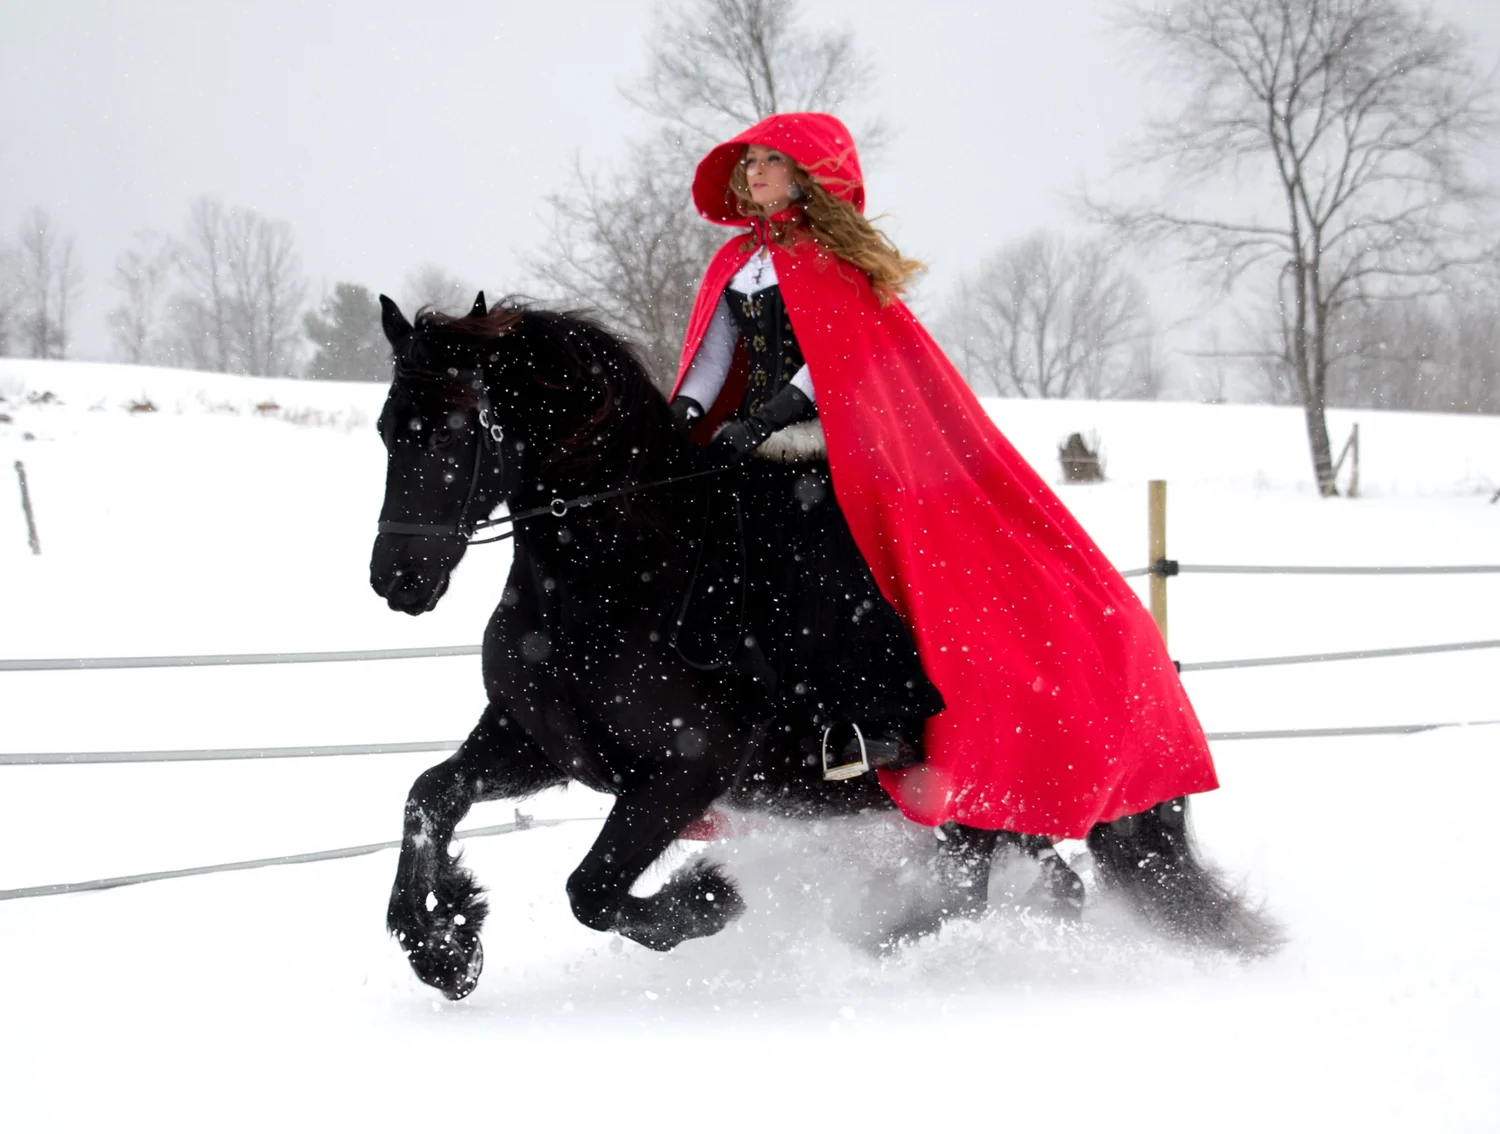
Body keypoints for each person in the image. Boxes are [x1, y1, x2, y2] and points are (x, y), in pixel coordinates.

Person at [670, 113, 1218, 840]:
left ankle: (874, 723)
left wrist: (768, 417)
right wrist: (681, 414)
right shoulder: (737, 264)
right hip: (750, 448)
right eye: (751, 162)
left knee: (832, 568)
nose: (755, 173)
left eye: (772, 160)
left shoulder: (830, 263)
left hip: (823, 449)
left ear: (808, 174)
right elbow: (712, 358)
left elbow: (832, 361)